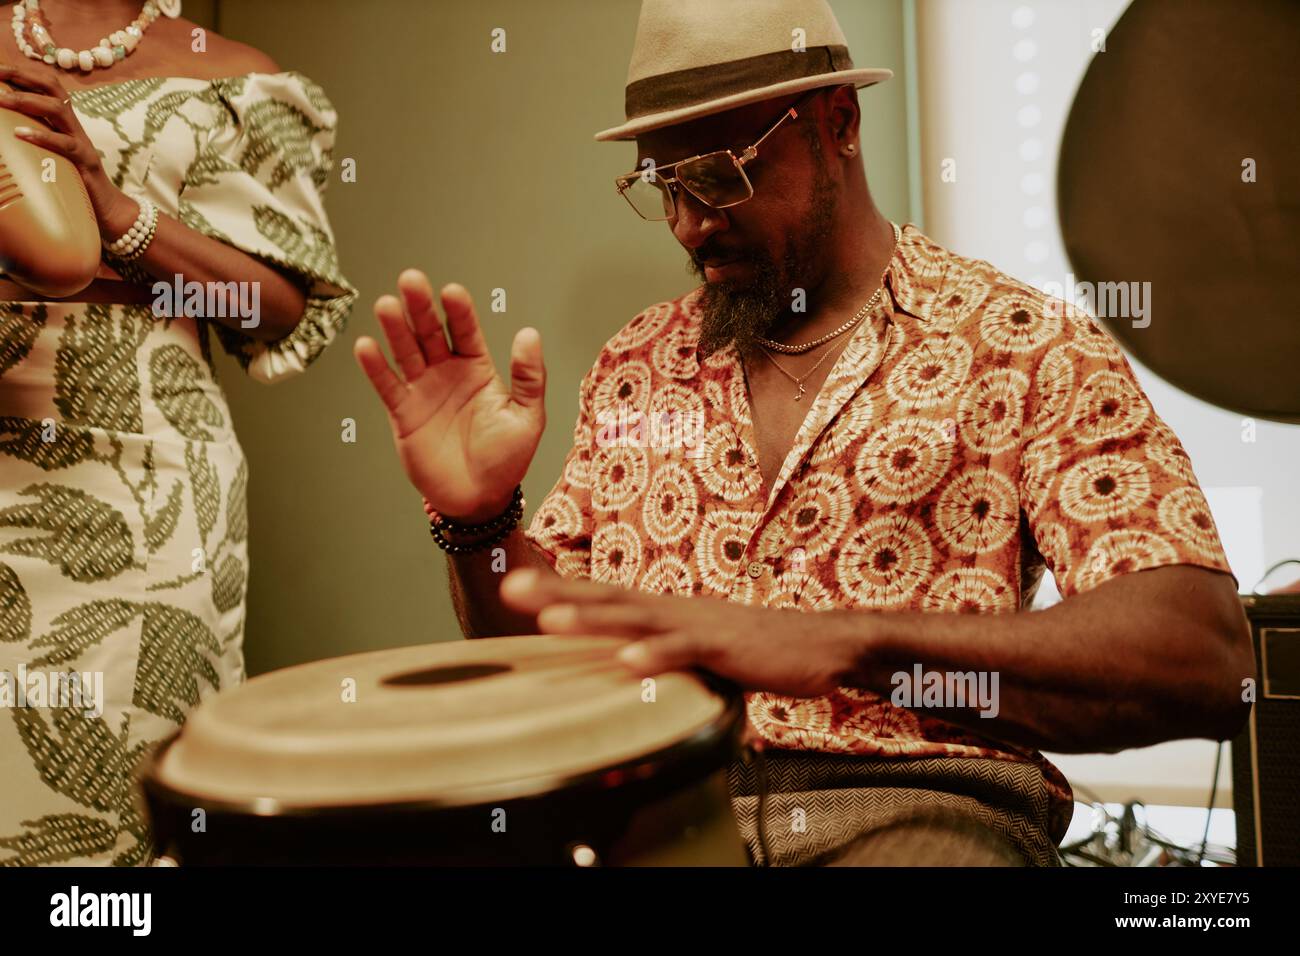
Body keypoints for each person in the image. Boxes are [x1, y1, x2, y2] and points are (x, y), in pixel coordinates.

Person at [353, 0, 1252, 866]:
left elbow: (1200, 659)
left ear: (838, 123)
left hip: (917, 809)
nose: (689, 223)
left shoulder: (1019, 343)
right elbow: (549, 655)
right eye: (664, 184)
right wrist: (478, 521)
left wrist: (849, 645)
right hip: (654, 814)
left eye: (719, 173)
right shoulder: (639, 362)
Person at [0, 0, 355, 865]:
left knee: (118, 802)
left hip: (145, 489)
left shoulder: (232, 76)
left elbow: (267, 315)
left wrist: (115, 212)